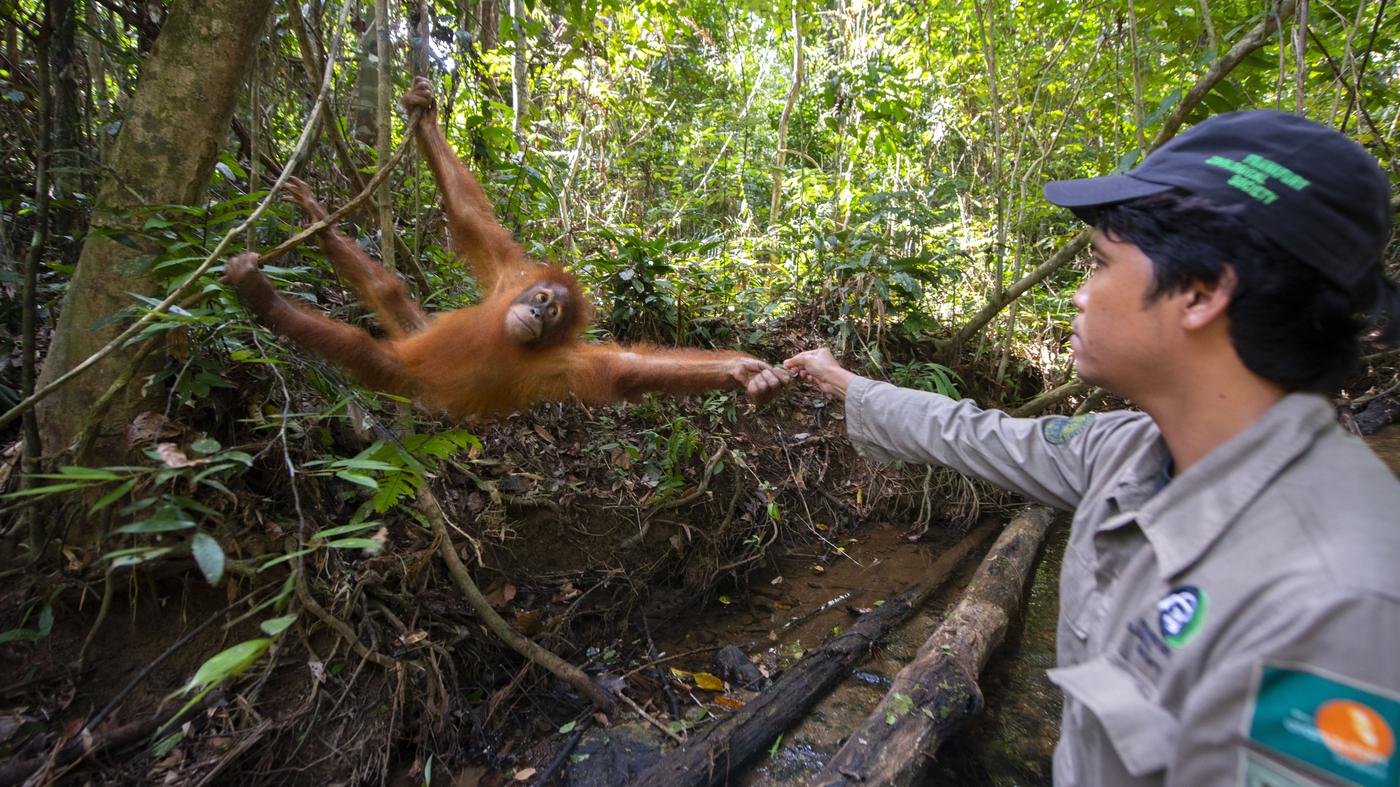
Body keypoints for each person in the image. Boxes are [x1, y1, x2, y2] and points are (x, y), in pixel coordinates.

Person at [772, 111, 1400, 786]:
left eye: (1100, 263)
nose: (1078, 293)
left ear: (1201, 291)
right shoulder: (1128, 450)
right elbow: (978, 433)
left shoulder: (1340, 601)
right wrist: (844, 383)